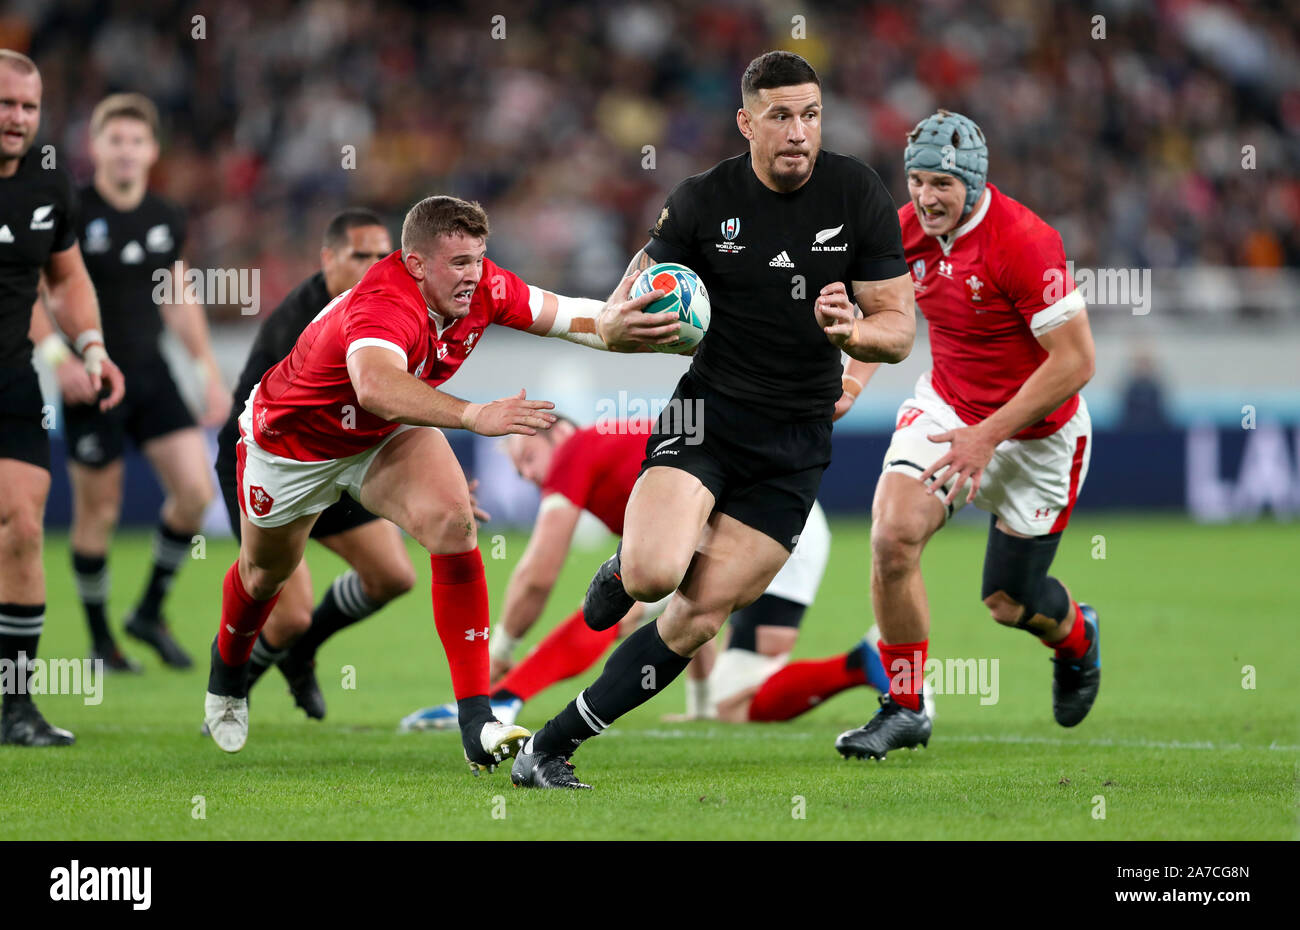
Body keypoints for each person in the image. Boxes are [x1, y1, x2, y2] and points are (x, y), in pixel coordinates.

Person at [510, 50, 915, 789]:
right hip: (707, 416)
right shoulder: (702, 199)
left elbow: (899, 328)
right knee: (656, 572)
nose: (799, 132)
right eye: (781, 116)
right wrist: (627, 321)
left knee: (695, 620)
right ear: (746, 123)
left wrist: (851, 335)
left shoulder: (857, 192)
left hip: (796, 444)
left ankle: (549, 747)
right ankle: (627, 569)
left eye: (811, 115)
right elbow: (624, 298)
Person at [203, 194, 671, 773]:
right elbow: (375, 385)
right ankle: (227, 670)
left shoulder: (484, 286)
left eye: (477, 259)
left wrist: (613, 324)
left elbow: (561, 314)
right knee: (264, 573)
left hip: (380, 437)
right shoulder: (382, 300)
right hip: (293, 448)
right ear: (417, 264)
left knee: (454, 522)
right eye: (457, 263)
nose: (472, 276)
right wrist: (475, 415)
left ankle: (475, 719)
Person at [833, 110, 1099, 761]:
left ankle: (1079, 639)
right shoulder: (902, 233)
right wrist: (852, 382)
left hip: (1040, 438)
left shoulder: (1025, 241)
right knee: (893, 537)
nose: (926, 197)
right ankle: (905, 704)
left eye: (941, 185)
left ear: (974, 185)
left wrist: (987, 438)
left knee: (1010, 603)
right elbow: (883, 317)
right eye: (917, 181)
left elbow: (1076, 362)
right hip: (947, 411)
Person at [398, 417, 894, 730]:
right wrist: (697, 707)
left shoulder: (577, 449)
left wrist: (502, 654)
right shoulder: (617, 463)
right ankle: (862, 661)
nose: (527, 474)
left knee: (620, 605)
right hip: (791, 524)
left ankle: (505, 702)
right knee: (734, 706)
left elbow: (538, 573)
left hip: (761, 529)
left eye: (527, 457)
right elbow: (689, 600)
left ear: (559, 433)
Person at [29, 93, 228, 672]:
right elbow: (38, 291)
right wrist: (56, 358)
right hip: (90, 377)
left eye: (135, 141)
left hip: (151, 373)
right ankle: (100, 644)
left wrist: (206, 373)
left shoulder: (167, 216)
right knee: (100, 513)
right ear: (95, 147)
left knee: (194, 493)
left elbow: (179, 297)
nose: (125, 151)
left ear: (151, 151)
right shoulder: (70, 207)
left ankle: (147, 612)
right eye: (114, 140)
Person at [213, 209, 414, 720]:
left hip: (335, 461)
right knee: (287, 618)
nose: (373, 266)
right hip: (271, 463)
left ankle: (300, 655)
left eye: (381, 255)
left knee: (392, 576)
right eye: (359, 255)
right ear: (327, 259)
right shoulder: (300, 322)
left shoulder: (386, 308)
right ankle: (230, 692)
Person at [0, 49, 125, 745]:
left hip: (12, 379)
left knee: (22, 528)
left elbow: (68, 278)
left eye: (27, 106)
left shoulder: (50, 181)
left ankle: (16, 709)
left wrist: (92, 348)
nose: (16, 118)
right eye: (4, 104)